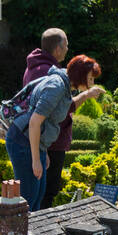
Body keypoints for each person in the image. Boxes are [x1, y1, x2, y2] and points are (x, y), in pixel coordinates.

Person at [6, 54, 101, 212]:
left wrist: (43, 151)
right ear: (80, 76)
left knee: (39, 197)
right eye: (90, 79)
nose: (92, 83)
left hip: (35, 143)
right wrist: (36, 159)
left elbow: (48, 120)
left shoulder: (65, 86)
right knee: (28, 200)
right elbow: (35, 122)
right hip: (22, 141)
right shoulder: (56, 87)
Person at [23, 28, 104, 211]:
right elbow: (40, 117)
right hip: (49, 143)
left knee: (43, 194)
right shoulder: (49, 75)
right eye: (66, 45)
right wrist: (41, 153)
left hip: (48, 142)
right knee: (42, 196)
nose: (68, 49)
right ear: (58, 48)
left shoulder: (40, 68)